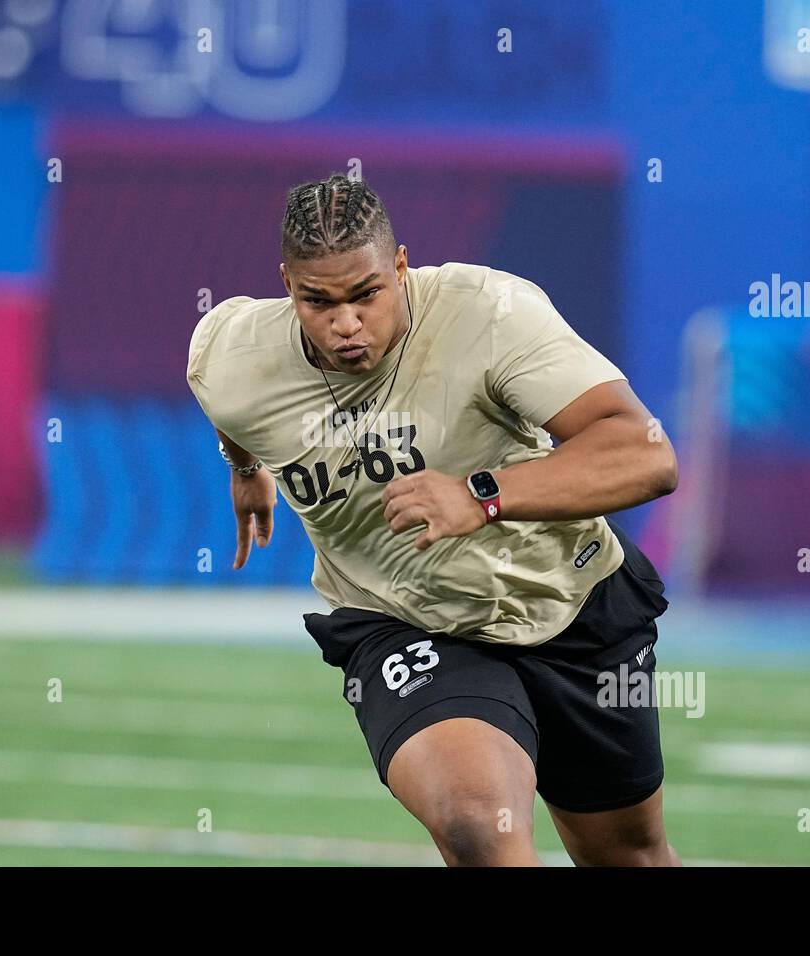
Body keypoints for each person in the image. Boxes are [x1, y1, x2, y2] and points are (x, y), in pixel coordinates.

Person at [187, 174, 681, 866]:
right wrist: (244, 470)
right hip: (404, 622)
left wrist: (483, 494)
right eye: (318, 302)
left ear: (400, 266)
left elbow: (646, 455)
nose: (346, 324)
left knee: (628, 854)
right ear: (287, 286)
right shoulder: (234, 354)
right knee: (479, 824)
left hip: (568, 601)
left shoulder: (490, 312)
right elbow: (229, 407)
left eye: (366, 294)